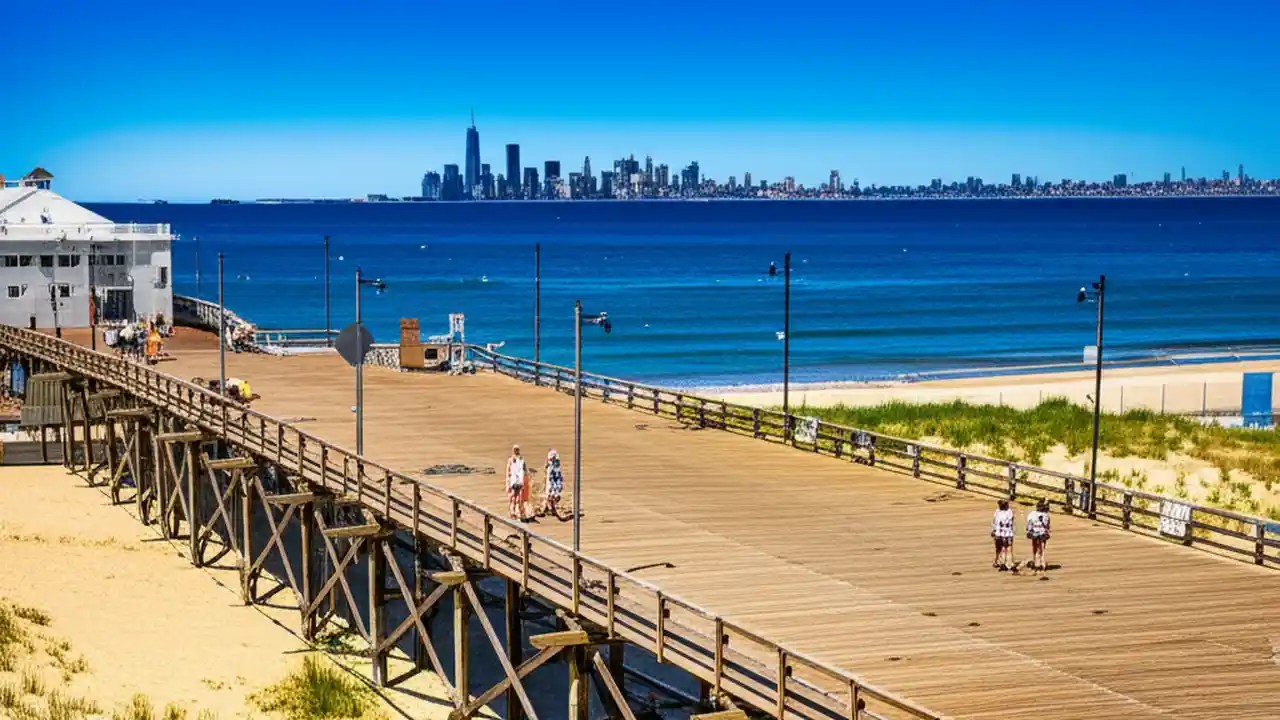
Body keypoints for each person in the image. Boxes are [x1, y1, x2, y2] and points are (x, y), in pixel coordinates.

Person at [1025, 499, 1052, 572]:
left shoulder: (1032, 514)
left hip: (1035, 533)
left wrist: (1028, 531)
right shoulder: (1046, 515)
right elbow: (1047, 526)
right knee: (1042, 548)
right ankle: (1042, 562)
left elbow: (1029, 524)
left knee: (1035, 547)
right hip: (1042, 533)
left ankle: (1036, 562)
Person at [991, 499, 1016, 570]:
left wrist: (993, 530)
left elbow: (994, 522)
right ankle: (1010, 563)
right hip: (1008, 533)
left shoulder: (997, 512)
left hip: (999, 533)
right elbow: (1012, 521)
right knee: (1008, 549)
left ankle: (1002, 562)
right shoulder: (1010, 512)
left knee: (1000, 548)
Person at [540, 449, 564, 519]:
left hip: (553, 480)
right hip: (552, 480)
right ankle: (548, 509)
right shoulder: (553, 464)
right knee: (551, 496)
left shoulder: (554, 464)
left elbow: (556, 475)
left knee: (553, 496)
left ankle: (547, 509)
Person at [505, 445, 527, 521]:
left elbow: (524, 469)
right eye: (515, 449)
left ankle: (516, 512)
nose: (516, 451)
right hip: (514, 480)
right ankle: (513, 512)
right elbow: (508, 471)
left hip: (518, 480)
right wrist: (508, 481)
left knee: (518, 497)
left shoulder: (520, 459)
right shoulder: (512, 459)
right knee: (514, 497)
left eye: (517, 449)